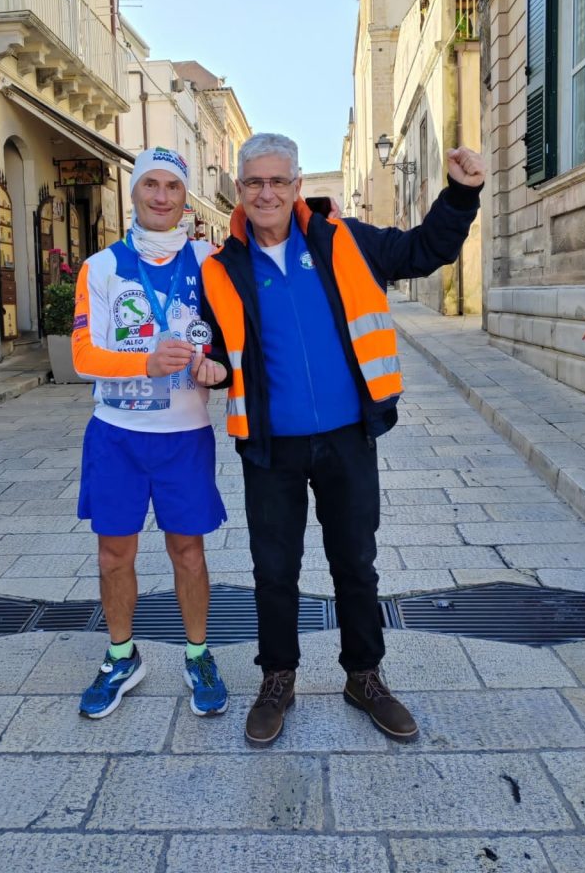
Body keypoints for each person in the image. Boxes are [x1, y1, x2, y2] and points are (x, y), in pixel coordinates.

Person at [201, 132, 484, 746]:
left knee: (355, 562)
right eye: (255, 183)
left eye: (279, 181)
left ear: (299, 186)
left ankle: (365, 677)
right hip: (271, 446)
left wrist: (461, 193)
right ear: (240, 191)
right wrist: (209, 366)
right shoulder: (221, 268)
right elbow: (217, 349)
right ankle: (278, 677)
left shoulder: (344, 239)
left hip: (348, 436)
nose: (267, 192)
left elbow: (423, 249)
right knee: (273, 569)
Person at [72, 146, 230, 720]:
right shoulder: (101, 267)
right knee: (115, 552)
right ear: (134, 192)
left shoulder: (211, 261)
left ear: (186, 198)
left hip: (184, 434)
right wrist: (144, 363)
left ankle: (198, 654)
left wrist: (219, 366)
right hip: (117, 432)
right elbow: (83, 355)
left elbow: (231, 340)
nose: (161, 197)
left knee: (187, 549)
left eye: (172, 187)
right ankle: (121, 656)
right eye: (151, 186)